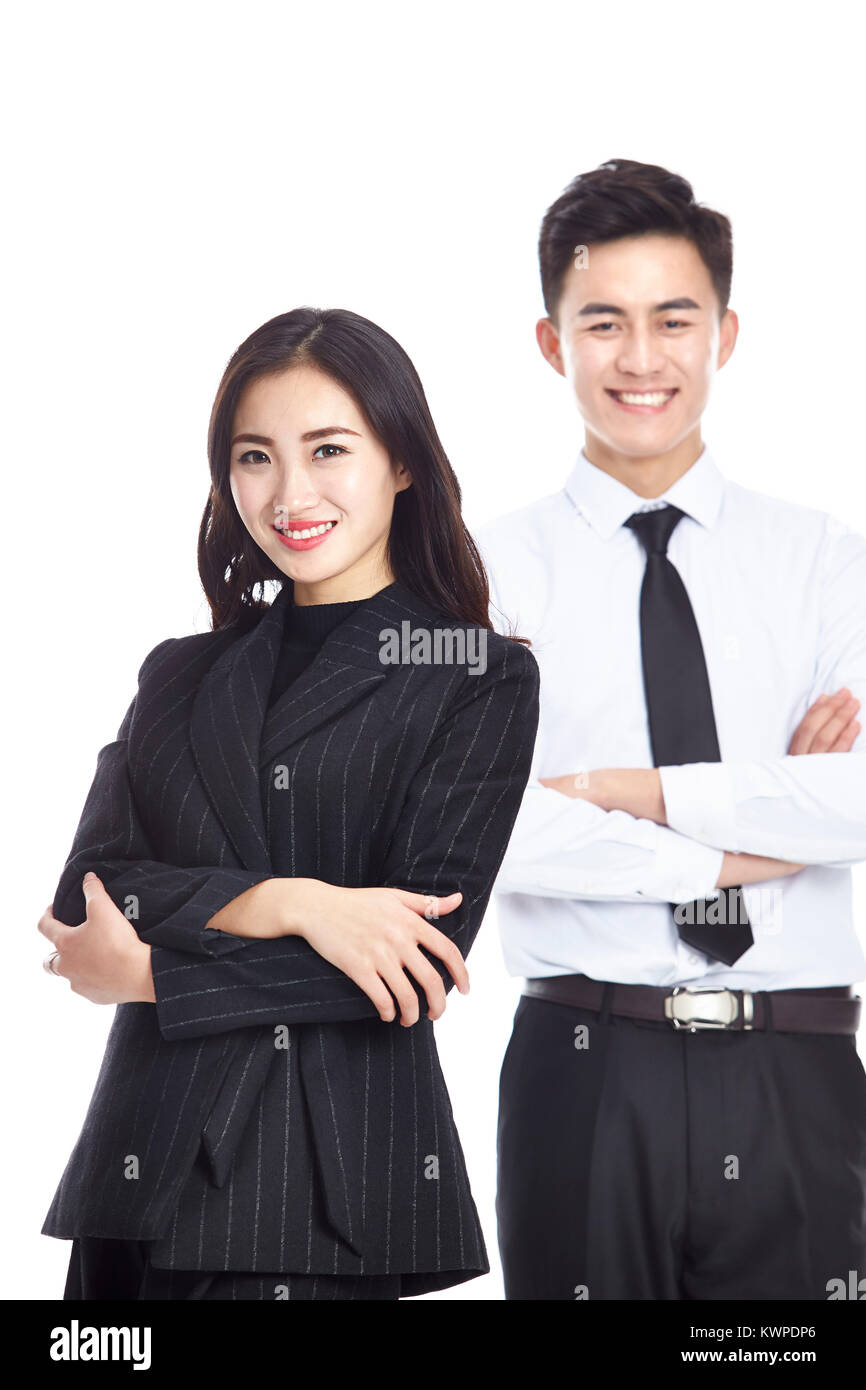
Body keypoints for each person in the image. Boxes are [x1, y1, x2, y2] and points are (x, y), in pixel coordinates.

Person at [39, 306, 540, 1301]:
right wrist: (300, 902)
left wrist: (155, 978)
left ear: (400, 460)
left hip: (314, 1189)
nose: (289, 492)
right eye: (254, 457)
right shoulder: (181, 672)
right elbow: (89, 893)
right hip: (134, 1177)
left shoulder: (471, 674)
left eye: (327, 450)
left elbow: (411, 964)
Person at [477, 159, 866, 1300]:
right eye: (602, 322)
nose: (638, 359)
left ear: (724, 334)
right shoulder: (480, 579)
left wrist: (622, 791)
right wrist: (773, 810)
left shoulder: (825, 563)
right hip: (583, 1068)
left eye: (671, 319)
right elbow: (485, 829)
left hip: (797, 1064)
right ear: (552, 343)